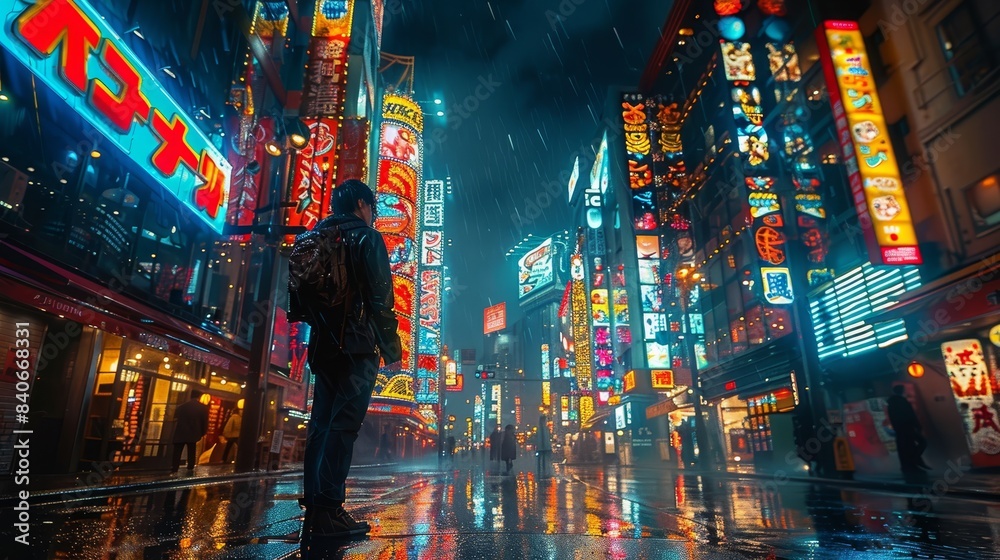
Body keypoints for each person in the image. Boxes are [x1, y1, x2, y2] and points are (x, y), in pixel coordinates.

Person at [299, 179, 402, 541]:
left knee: (322, 424)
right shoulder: (367, 238)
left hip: (322, 347)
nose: (373, 215)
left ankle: (315, 506)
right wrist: (392, 348)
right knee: (343, 426)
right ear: (362, 203)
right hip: (357, 347)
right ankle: (329, 511)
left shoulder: (315, 237)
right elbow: (380, 299)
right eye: (372, 207)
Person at [887, 385, 929, 472]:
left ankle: (910, 464)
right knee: (921, 442)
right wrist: (917, 425)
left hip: (900, 429)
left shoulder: (891, 403)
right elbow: (910, 415)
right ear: (901, 391)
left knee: (905, 448)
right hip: (907, 427)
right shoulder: (902, 401)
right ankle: (915, 460)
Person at [171, 390, 209, 474]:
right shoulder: (202, 408)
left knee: (177, 451)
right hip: (193, 432)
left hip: (180, 431)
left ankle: (174, 468)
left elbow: (175, 419)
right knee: (191, 450)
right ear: (199, 397)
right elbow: (204, 422)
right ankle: (190, 467)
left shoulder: (182, 407)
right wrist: (203, 432)